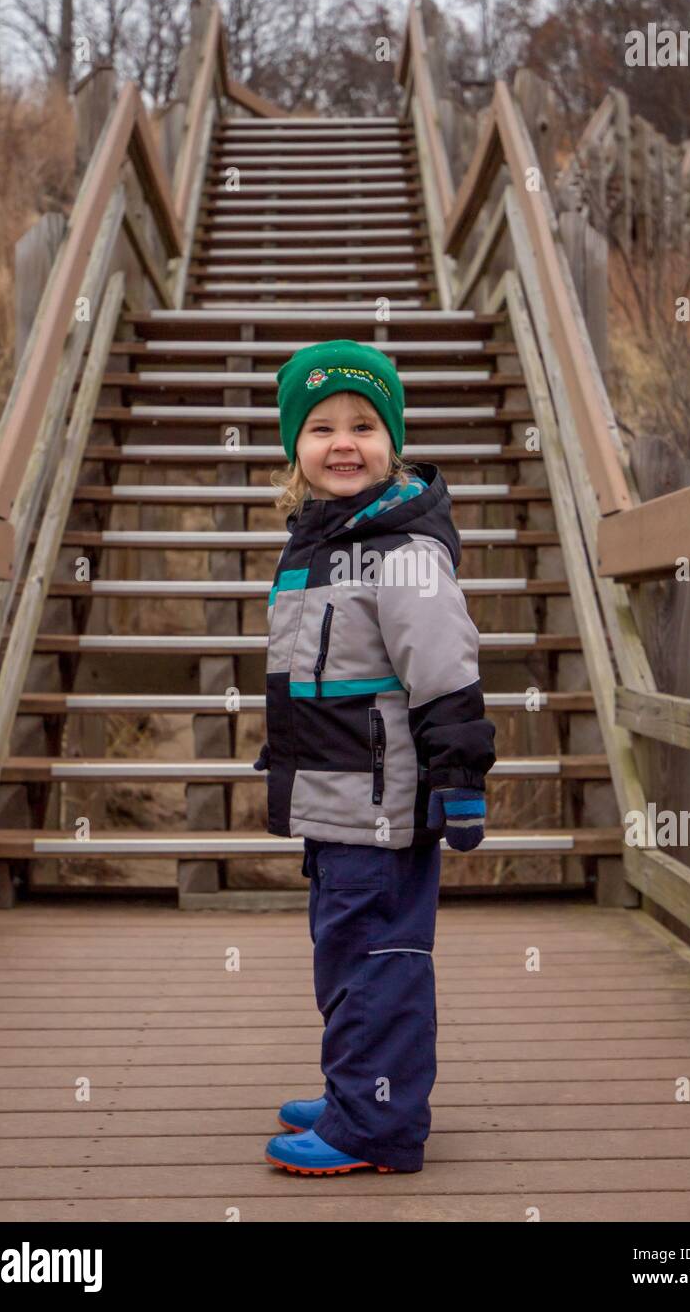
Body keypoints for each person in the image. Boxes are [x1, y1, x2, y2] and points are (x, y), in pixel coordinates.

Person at [257, 339, 496, 1176]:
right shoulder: (319, 541)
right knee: (345, 958)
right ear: (296, 448)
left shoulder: (402, 550)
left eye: (365, 424)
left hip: (384, 809)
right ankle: (358, 1088)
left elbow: (444, 669)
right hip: (336, 804)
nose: (344, 442)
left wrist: (461, 781)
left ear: (393, 441)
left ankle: (379, 1127)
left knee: (380, 965)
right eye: (321, 428)